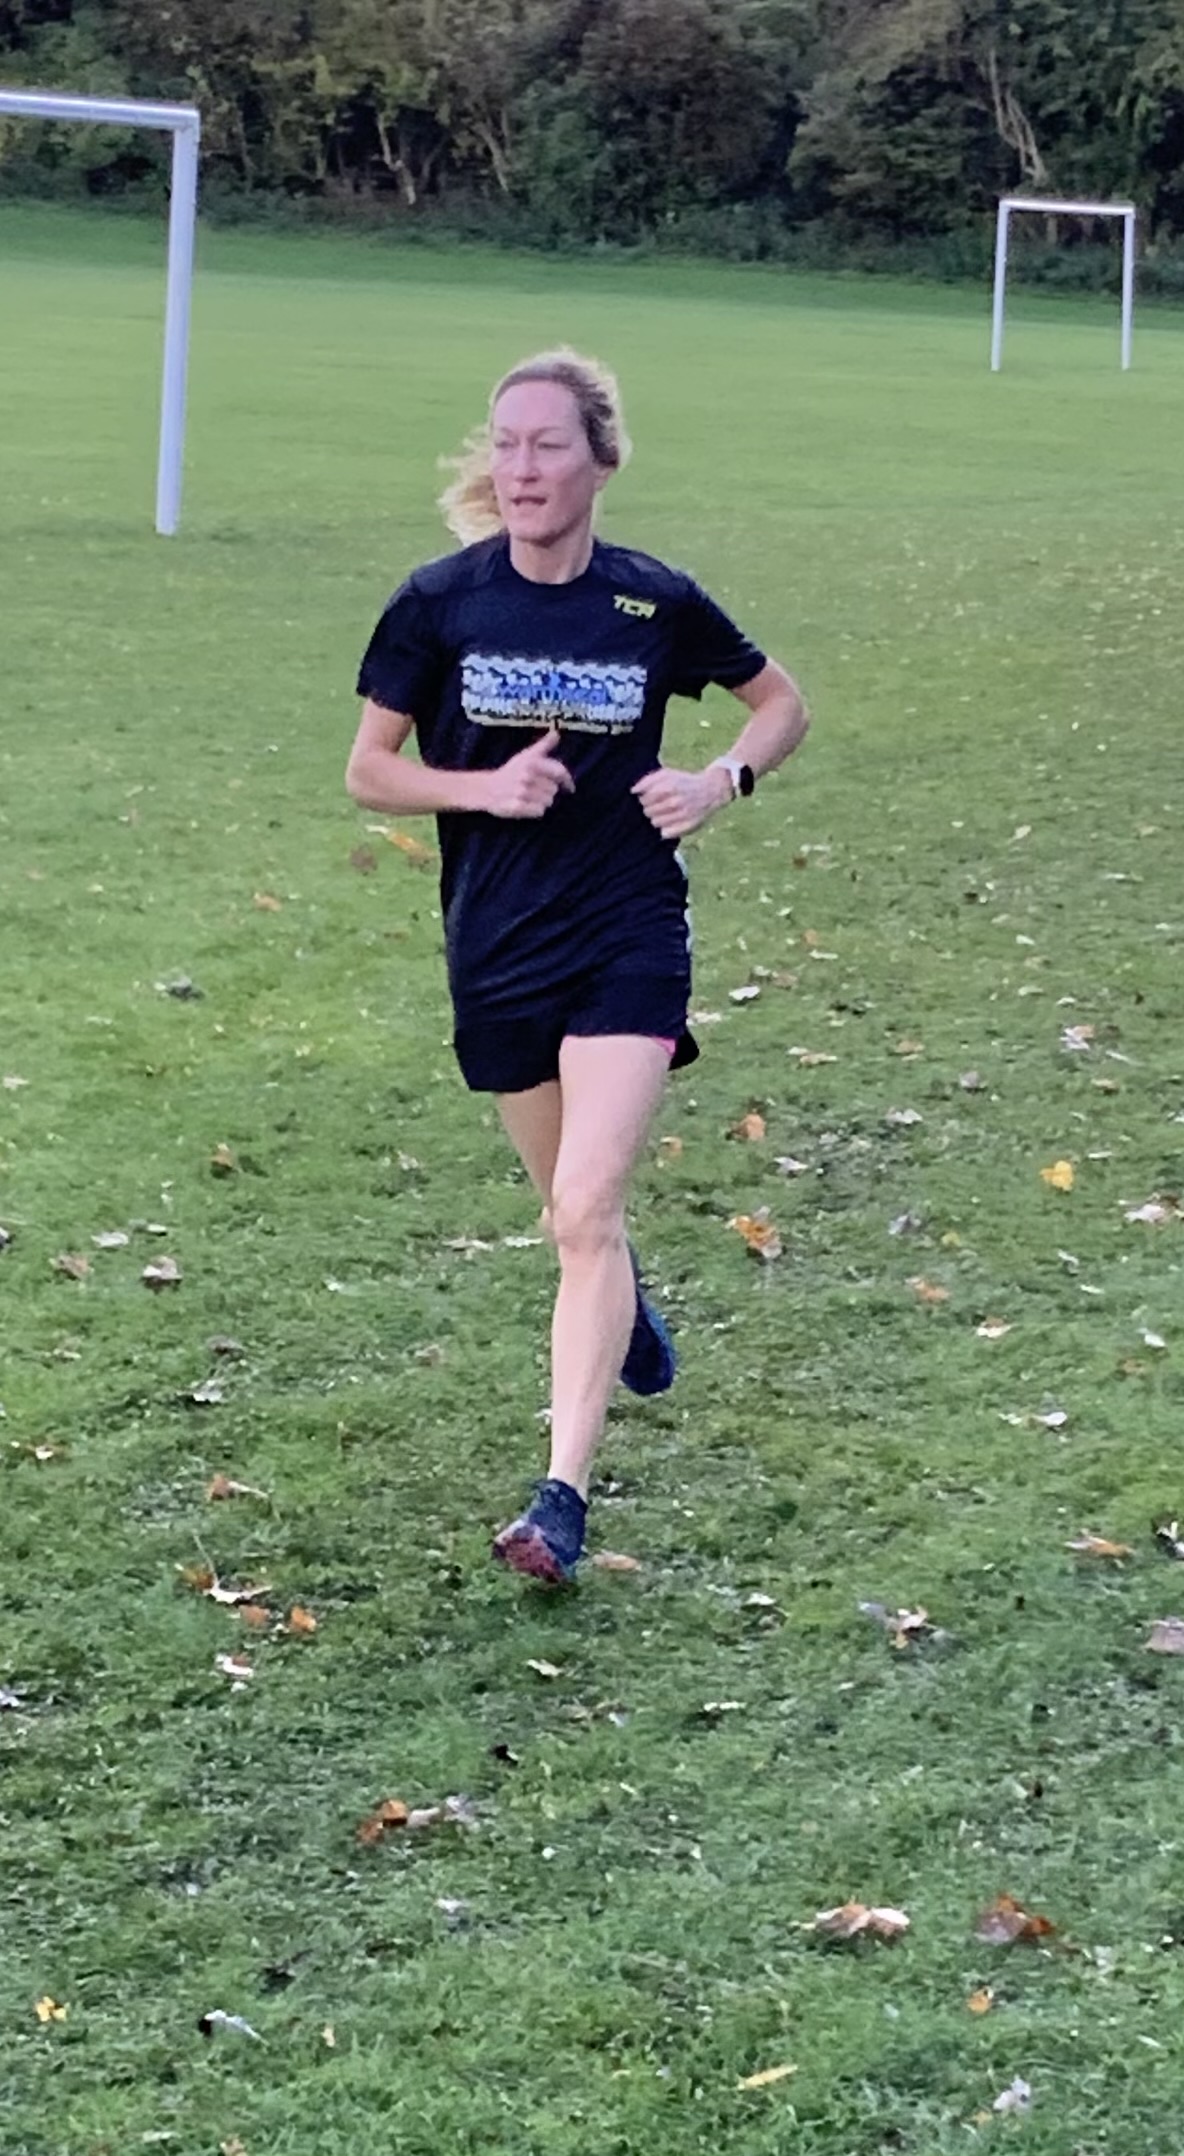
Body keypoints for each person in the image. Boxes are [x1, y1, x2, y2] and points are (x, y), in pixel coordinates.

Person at [346, 349, 808, 1585]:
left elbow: (782, 705)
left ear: (600, 459)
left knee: (587, 1204)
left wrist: (721, 779)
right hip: (496, 941)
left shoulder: (655, 602)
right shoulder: (438, 601)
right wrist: (482, 787)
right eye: (505, 444)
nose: (522, 467)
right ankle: (623, 1302)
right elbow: (368, 770)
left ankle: (561, 1497)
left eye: (547, 444)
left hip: (626, 927)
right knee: (570, 1216)